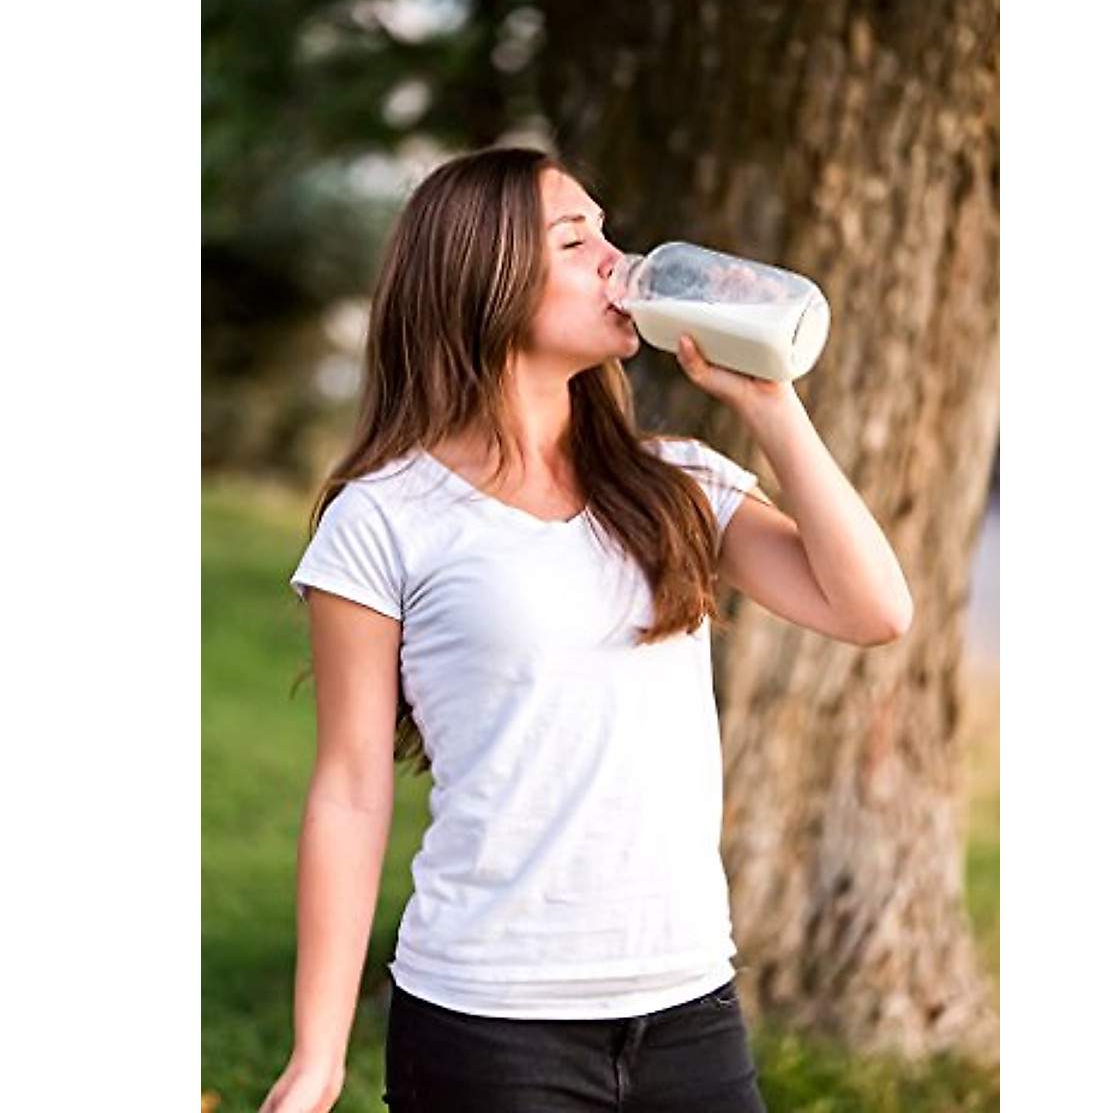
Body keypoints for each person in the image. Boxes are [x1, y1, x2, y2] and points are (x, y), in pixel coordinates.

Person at [260, 145, 912, 1113]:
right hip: (487, 1023)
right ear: (482, 280)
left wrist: (773, 406)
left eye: (607, 231)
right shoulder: (386, 516)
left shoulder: (677, 482)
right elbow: (351, 790)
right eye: (577, 240)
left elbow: (874, 611)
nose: (618, 259)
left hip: (688, 1004)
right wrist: (319, 1056)